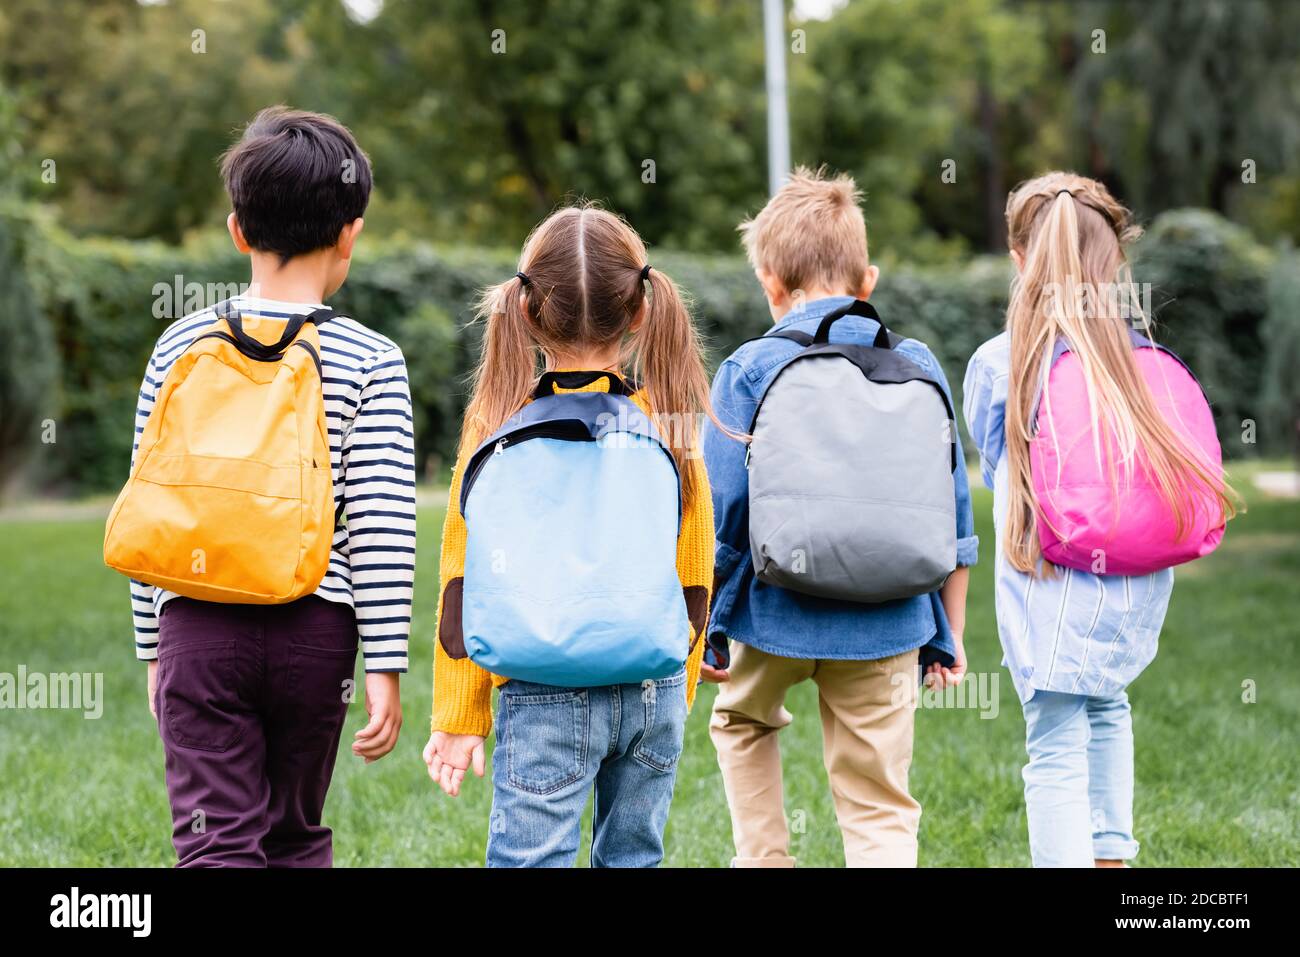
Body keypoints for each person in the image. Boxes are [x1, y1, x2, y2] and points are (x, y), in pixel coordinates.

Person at [131, 107, 413, 866]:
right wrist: (385, 664)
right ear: (351, 231)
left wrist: (153, 649)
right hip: (314, 635)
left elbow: (149, 507)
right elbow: (383, 525)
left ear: (236, 229)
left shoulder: (179, 343)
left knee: (216, 839)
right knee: (294, 834)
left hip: (196, 625)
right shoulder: (372, 358)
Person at [423, 204, 716, 867]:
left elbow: (462, 581)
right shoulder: (670, 420)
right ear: (641, 309)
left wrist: (459, 714)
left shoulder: (496, 421)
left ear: (524, 311)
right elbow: (695, 569)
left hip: (539, 687)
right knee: (634, 857)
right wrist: (682, 682)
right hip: (652, 685)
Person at [703, 167, 979, 867]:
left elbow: (722, 509)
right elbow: (951, 512)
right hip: (888, 619)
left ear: (770, 282)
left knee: (741, 722)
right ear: (869, 280)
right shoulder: (916, 363)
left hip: (772, 613)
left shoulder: (748, 367)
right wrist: (949, 632)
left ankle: (765, 858)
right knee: (880, 800)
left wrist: (707, 626)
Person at [963, 171, 1237, 867]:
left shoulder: (1003, 362)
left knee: (1054, 742)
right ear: (1115, 261)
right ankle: (1111, 856)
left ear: (1020, 259)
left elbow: (1001, 465)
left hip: (1050, 583)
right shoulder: (1136, 357)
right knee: (1110, 706)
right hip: (1132, 585)